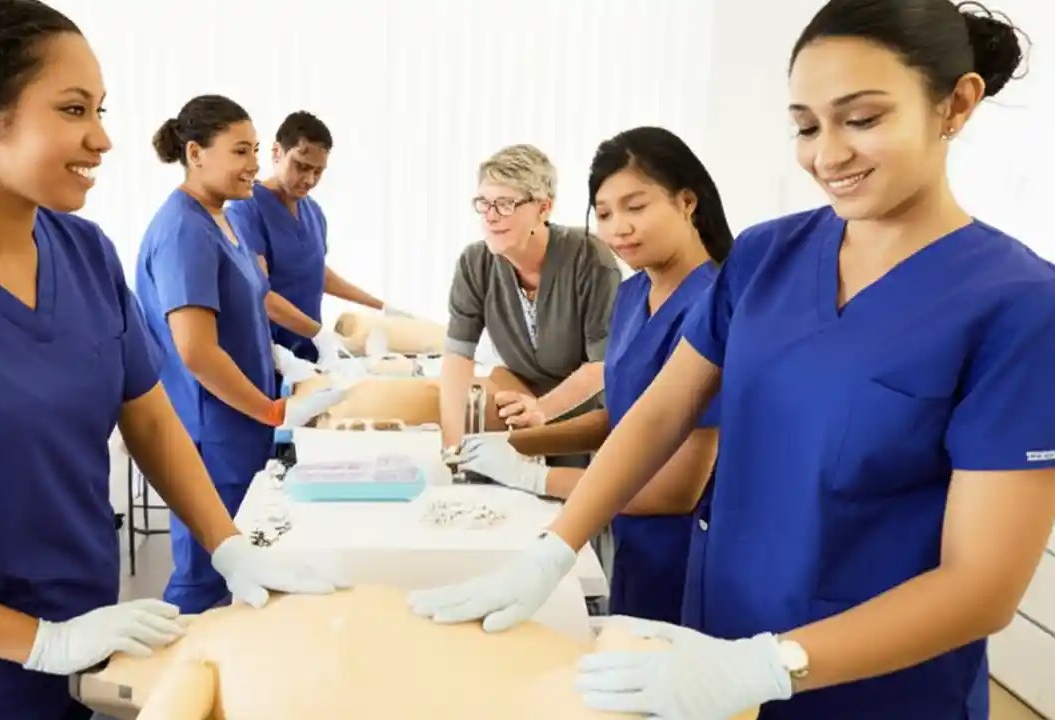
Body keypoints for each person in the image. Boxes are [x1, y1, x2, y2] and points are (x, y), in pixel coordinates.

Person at [408, 2, 1055, 718]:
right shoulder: (765, 256)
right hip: (711, 641)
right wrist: (554, 549)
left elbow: (984, 585)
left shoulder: (1018, 306)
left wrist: (772, 665)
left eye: (862, 119)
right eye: (806, 126)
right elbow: (656, 414)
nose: (827, 154)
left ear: (955, 105)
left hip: (874, 684)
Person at [0, 3, 342, 718]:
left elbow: (153, 421)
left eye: (101, 109)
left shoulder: (84, 253)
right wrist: (39, 641)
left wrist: (229, 546)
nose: (102, 138)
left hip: (87, 636)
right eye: (74, 109)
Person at [456, 127, 731, 624]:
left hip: (687, 553)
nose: (618, 227)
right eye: (604, 213)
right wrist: (523, 443)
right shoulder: (632, 297)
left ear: (687, 201)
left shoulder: (714, 307)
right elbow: (626, 416)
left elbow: (675, 490)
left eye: (636, 206)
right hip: (630, 543)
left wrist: (537, 476)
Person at [136, 95, 346, 615]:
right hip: (210, 431)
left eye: (254, 150)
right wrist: (272, 410)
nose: (254, 163)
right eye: (240, 151)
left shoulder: (220, 219)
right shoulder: (185, 229)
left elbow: (244, 311)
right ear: (195, 153)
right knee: (205, 574)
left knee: (237, 567)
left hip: (239, 426)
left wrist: (283, 362)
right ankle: (176, 687)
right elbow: (196, 351)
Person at [440, 143, 622, 459]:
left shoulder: (589, 258)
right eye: (483, 203)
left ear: (544, 208)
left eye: (506, 204)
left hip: (592, 412)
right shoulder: (475, 263)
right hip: (525, 407)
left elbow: (601, 365)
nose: (491, 216)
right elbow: (457, 361)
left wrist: (542, 410)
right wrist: (453, 450)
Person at [227, 110, 407, 368]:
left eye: (318, 171)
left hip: (307, 356)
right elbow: (260, 295)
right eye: (301, 166)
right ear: (277, 152)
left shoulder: (313, 212)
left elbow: (312, 271)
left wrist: (383, 307)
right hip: (269, 357)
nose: (309, 180)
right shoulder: (246, 210)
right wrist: (319, 333)